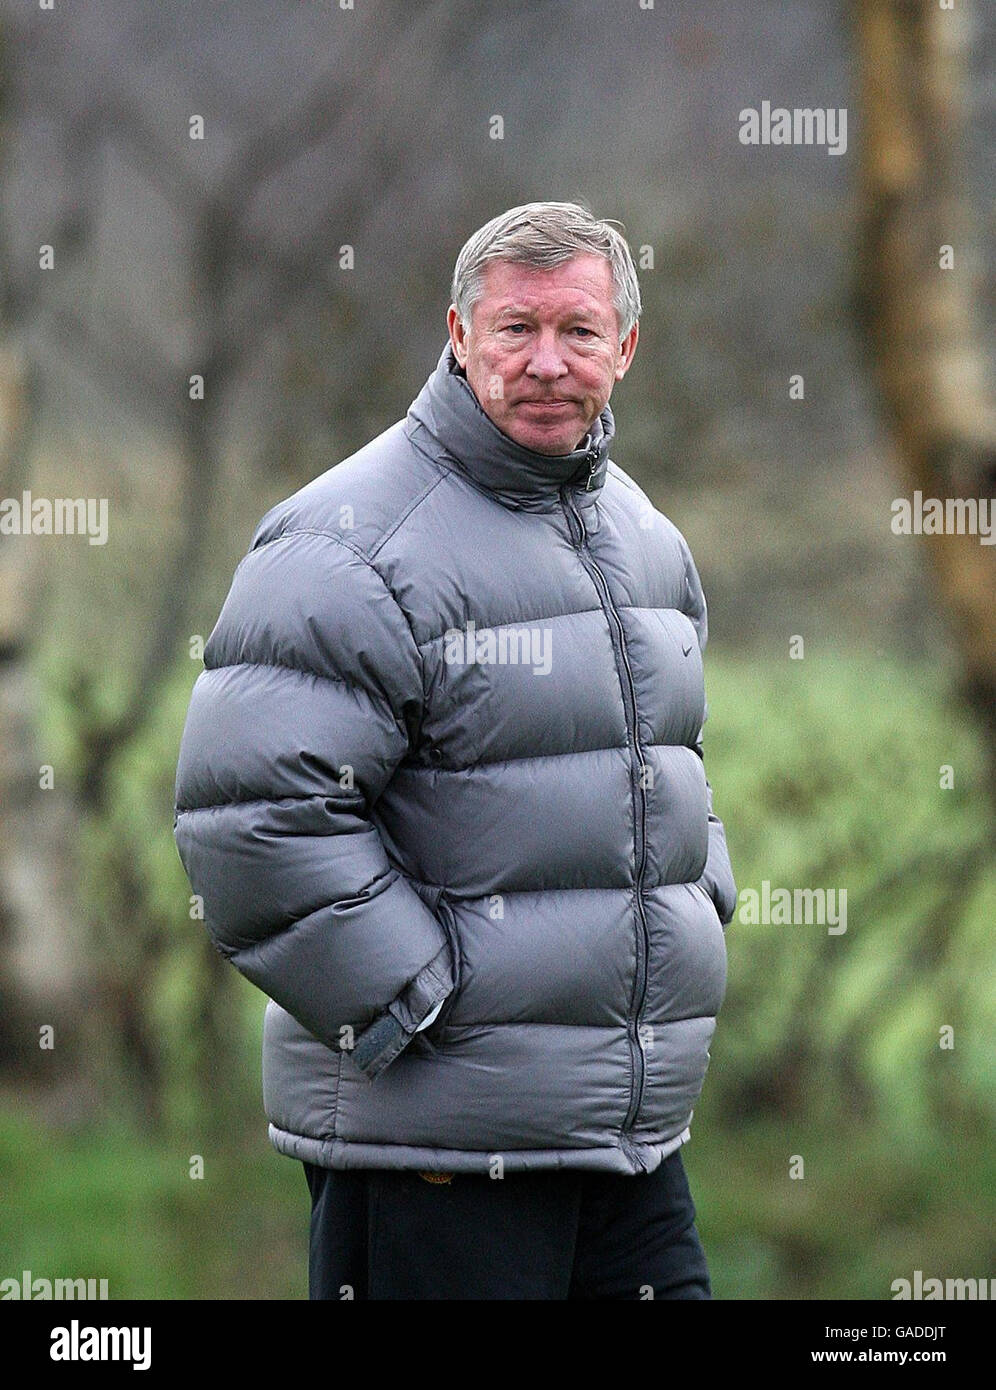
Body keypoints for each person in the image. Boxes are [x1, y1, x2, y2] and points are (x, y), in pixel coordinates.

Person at [173, 200, 737, 1300]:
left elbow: (669, 763)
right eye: (514, 328)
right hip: (434, 1152)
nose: (545, 362)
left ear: (625, 347)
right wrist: (412, 1001)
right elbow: (252, 818)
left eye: (577, 332)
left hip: (627, 1143)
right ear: (459, 333)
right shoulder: (351, 542)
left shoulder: (646, 538)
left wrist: (699, 894)